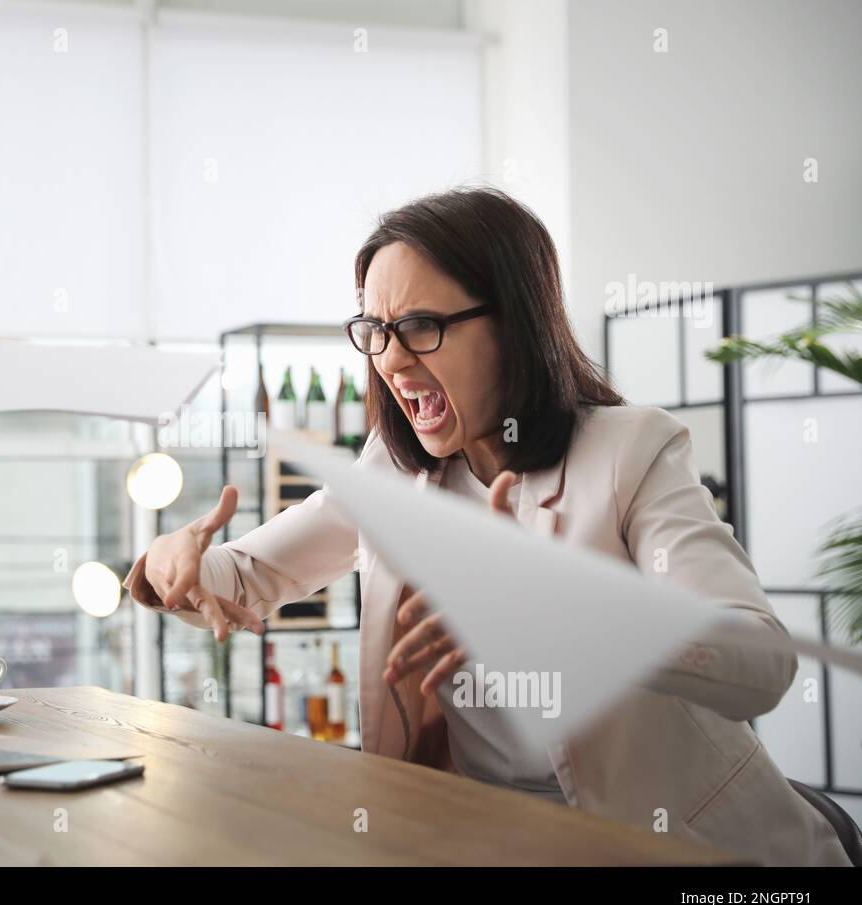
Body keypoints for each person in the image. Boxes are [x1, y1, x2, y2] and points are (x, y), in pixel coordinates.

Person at [124, 186, 849, 866]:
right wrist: (169, 564)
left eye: (419, 326)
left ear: (513, 322)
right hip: (490, 839)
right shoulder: (391, 474)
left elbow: (758, 664)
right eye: (375, 331)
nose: (392, 360)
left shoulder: (630, 452)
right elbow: (244, 578)